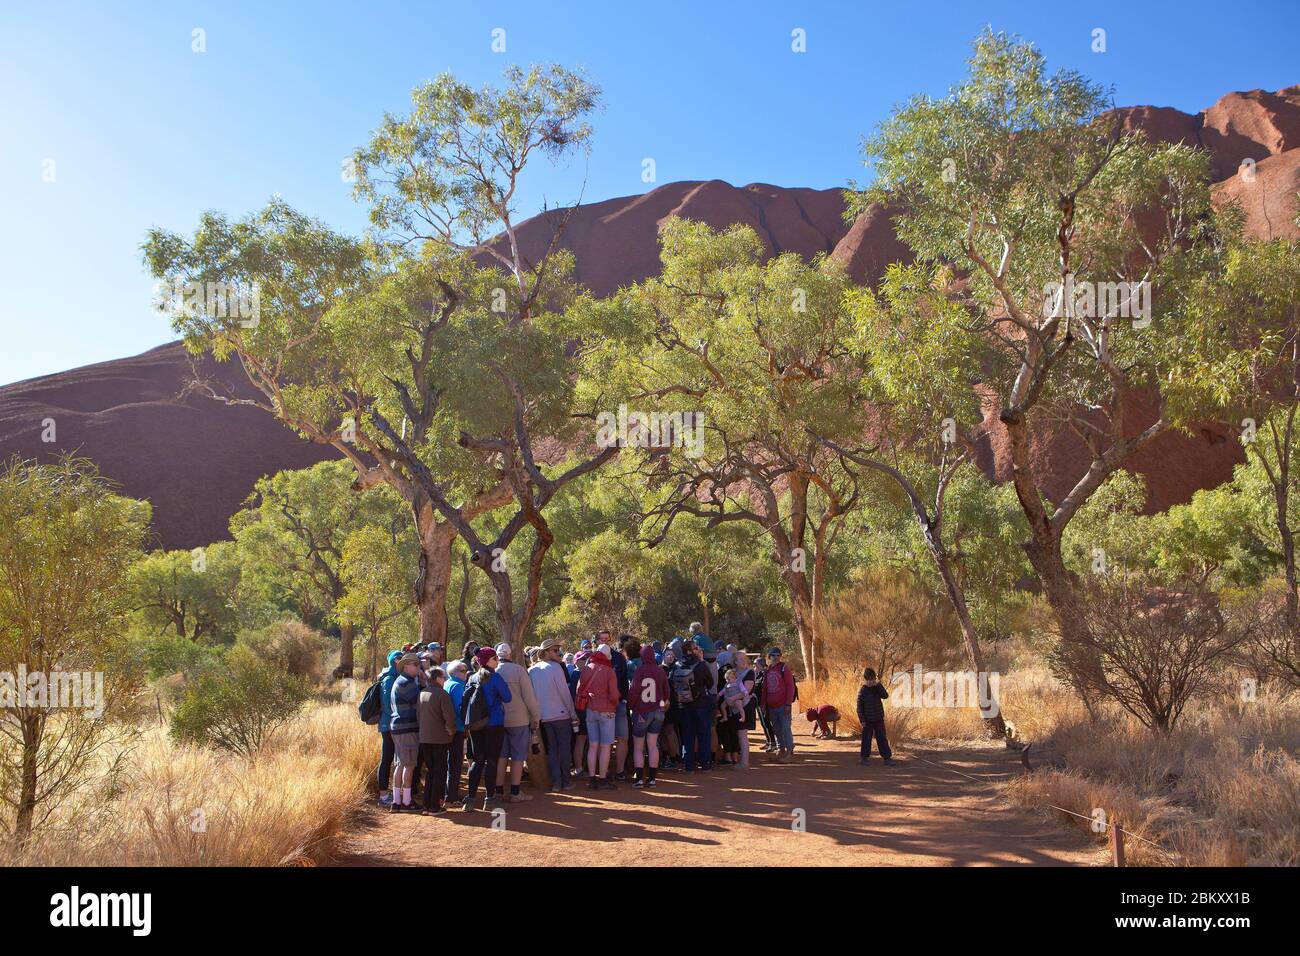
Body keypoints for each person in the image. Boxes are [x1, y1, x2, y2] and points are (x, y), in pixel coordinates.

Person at [462, 647, 512, 811]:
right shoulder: (495, 677)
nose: (498, 660)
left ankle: (470, 799)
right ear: (488, 661)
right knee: (492, 761)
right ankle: (489, 799)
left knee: (477, 760)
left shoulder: (472, 678)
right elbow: (507, 697)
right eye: (495, 658)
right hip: (494, 724)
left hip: (476, 725)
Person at [492, 643, 540, 804]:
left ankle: (498, 791)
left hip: (498, 720)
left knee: (501, 756)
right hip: (519, 720)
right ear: (510, 655)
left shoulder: (492, 670)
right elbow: (529, 696)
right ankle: (515, 792)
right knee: (518, 757)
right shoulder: (519, 670)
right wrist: (535, 716)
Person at [529, 638, 578, 791]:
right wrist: (573, 712)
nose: (559, 653)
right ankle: (566, 781)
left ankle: (556, 782)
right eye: (555, 650)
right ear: (546, 652)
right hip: (561, 715)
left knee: (552, 749)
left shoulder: (532, 670)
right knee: (563, 749)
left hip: (544, 717)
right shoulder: (556, 668)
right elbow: (564, 693)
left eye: (558, 650)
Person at [577, 643, 619, 790]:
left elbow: (579, 689)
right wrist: (615, 703)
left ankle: (591, 778)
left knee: (593, 745)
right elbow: (614, 695)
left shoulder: (587, 668)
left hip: (590, 710)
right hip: (607, 711)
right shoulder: (609, 671)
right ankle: (602, 778)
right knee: (606, 746)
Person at [417, 666, 457, 814]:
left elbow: (418, 715)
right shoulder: (442, 694)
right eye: (443, 677)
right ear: (437, 678)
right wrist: (451, 731)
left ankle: (427, 805)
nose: (445, 679)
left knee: (430, 771)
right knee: (440, 772)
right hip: (440, 739)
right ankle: (435, 806)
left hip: (424, 738)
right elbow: (450, 718)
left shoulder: (422, 693)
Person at [388, 653, 424, 812]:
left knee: (401, 764)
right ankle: (407, 802)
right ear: (406, 666)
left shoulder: (401, 681)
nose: (418, 667)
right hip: (407, 728)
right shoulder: (406, 683)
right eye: (415, 665)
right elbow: (420, 703)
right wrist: (424, 684)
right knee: (409, 765)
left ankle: (396, 801)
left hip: (398, 727)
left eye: (418, 664)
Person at [629, 644, 668, 788]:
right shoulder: (660, 671)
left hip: (642, 711)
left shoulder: (639, 670)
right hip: (658, 711)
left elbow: (634, 691)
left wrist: (631, 706)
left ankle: (639, 779)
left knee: (638, 747)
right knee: (653, 745)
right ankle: (652, 779)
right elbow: (666, 693)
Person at [675, 640, 715, 772]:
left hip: (684, 705)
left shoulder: (678, 665)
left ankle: (688, 765)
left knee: (687, 736)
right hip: (701, 704)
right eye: (695, 647)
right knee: (704, 734)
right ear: (689, 651)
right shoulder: (701, 665)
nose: (698, 649)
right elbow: (710, 683)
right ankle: (705, 764)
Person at [375, 649, 403, 807]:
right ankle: (383, 795)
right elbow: (387, 704)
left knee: (392, 758)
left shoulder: (394, 676)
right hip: (388, 724)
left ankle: (390, 792)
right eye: (400, 658)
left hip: (392, 723)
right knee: (386, 758)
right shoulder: (389, 678)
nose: (402, 660)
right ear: (394, 661)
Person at [762, 646, 797, 763]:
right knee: (776, 729)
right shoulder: (768, 670)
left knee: (785, 728)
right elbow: (765, 689)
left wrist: (788, 704)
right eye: (773, 655)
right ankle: (781, 750)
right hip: (772, 706)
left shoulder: (784, 668)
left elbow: (790, 687)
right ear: (769, 657)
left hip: (783, 705)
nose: (776, 657)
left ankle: (789, 752)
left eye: (778, 655)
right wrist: (763, 705)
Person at [443, 660, 469, 805]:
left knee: (449, 762)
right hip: (457, 729)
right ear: (454, 673)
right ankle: (451, 795)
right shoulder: (458, 686)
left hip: (447, 729)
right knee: (455, 762)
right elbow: (462, 709)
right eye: (463, 670)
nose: (466, 672)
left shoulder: (447, 683)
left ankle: (448, 792)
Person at [857, 668, 895, 766]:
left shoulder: (877, 688)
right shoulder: (862, 691)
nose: (871, 681)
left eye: (873, 679)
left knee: (882, 738)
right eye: (869, 679)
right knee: (866, 739)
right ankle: (864, 758)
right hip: (867, 720)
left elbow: (885, 696)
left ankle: (887, 758)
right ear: (866, 679)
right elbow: (859, 708)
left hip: (878, 719)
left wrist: (878, 685)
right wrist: (862, 720)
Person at [608, 633, 633, 782]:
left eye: (606, 639)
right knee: (606, 741)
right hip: (603, 707)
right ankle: (604, 773)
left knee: (622, 738)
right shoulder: (591, 660)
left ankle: (620, 771)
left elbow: (624, 681)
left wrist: (623, 699)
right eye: (600, 639)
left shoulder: (619, 658)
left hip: (619, 705)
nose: (604, 641)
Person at [733, 651, 756, 769]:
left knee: (742, 734)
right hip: (735, 707)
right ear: (735, 662)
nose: (743, 661)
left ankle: (745, 762)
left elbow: (746, 691)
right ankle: (741, 761)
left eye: (744, 658)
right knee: (739, 734)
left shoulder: (749, 672)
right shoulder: (733, 673)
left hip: (746, 706)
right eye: (740, 659)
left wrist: (731, 698)